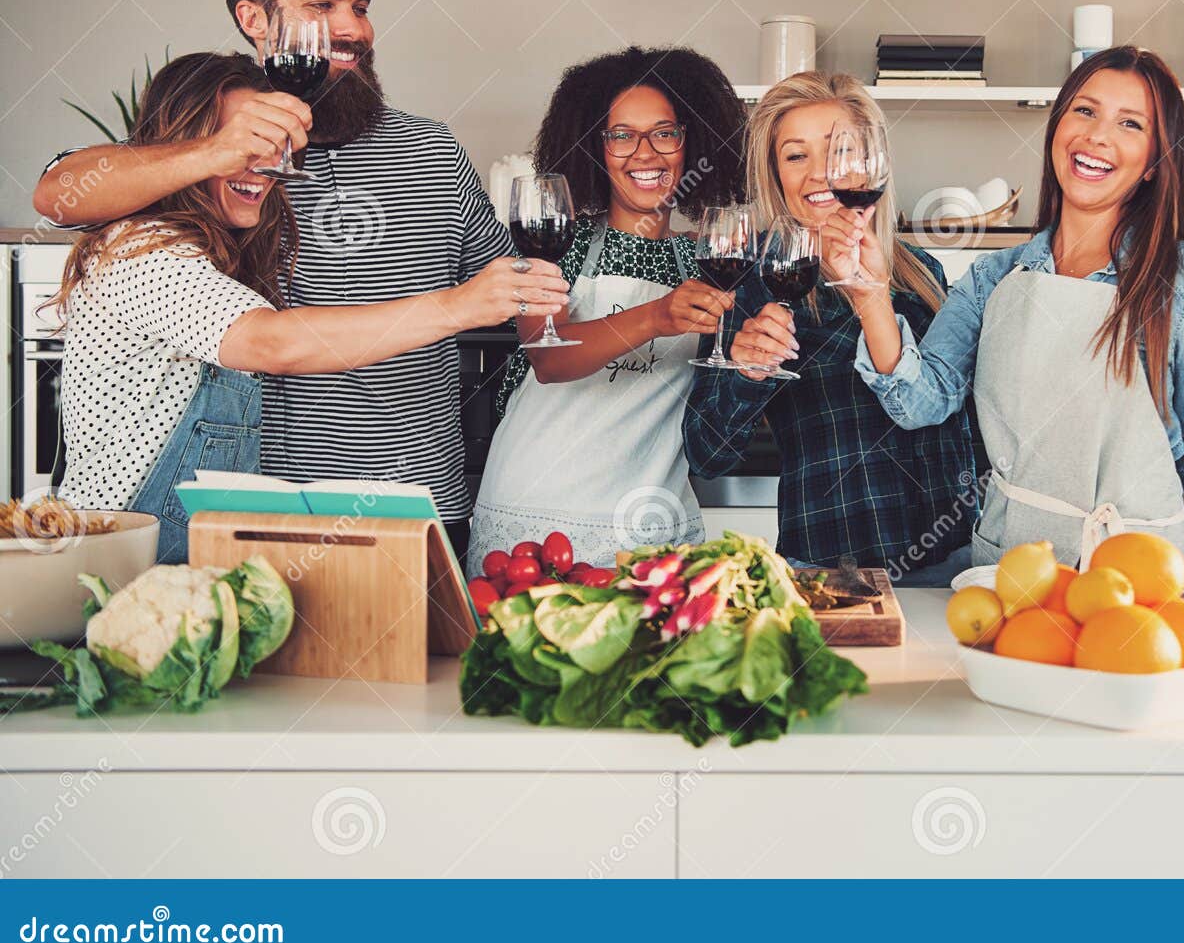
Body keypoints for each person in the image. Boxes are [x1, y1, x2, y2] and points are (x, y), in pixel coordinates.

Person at [34, 0, 519, 559]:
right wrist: (221, 151)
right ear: (254, 20)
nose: (353, 27)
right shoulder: (213, 158)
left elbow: (510, 298)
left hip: (421, 507)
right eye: (324, 4)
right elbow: (57, 194)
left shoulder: (431, 149)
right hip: (262, 519)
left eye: (361, 4)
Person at [53, 52, 566, 563]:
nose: (262, 166)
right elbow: (271, 342)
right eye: (239, 146)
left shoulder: (227, 248)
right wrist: (459, 305)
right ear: (194, 149)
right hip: (112, 558)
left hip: (176, 553)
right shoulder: (143, 250)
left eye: (271, 148)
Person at [851, 47, 1184, 571]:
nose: (1097, 136)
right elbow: (918, 404)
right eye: (1084, 111)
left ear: (1155, 162)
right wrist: (871, 295)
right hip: (1015, 565)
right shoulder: (995, 278)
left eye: (1130, 123)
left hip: (1138, 572)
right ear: (1057, 127)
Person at [684, 72, 976, 583]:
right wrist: (744, 372)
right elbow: (707, 453)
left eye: (837, 150)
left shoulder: (921, 272)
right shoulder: (754, 285)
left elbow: (956, 417)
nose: (820, 174)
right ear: (776, 176)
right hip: (830, 571)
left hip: (953, 563)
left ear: (871, 162)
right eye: (796, 156)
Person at [468, 47, 747, 573]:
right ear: (595, 148)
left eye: (664, 133)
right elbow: (548, 359)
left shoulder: (705, 258)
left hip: (653, 518)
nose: (645, 153)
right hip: (543, 511)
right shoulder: (557, 244)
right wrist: (657, 316)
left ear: (691, 144)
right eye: (621, 135)